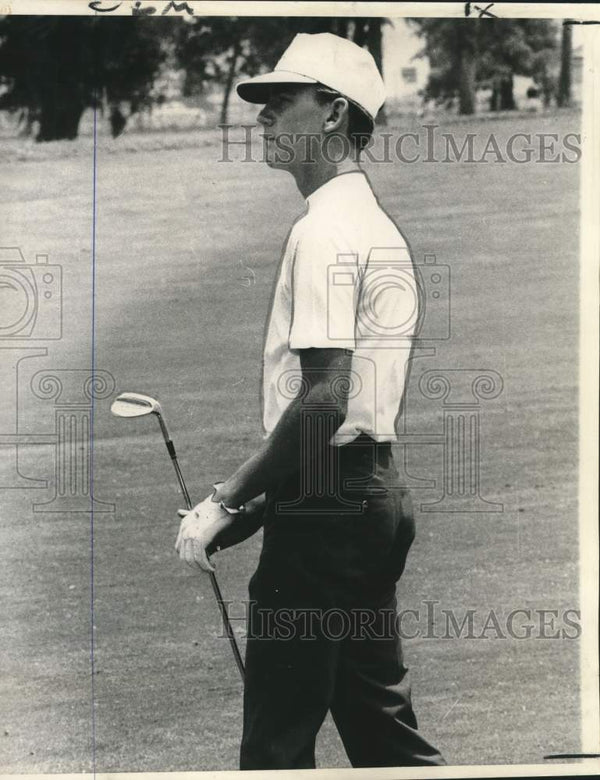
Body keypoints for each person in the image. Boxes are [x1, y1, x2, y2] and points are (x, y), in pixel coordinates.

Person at [175, 32, 446, 770]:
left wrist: (227, 501)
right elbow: (355, 418)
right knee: (382, 728)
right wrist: (267, 507)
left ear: (332, 114)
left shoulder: (326, 229)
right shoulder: (369, 222)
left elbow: (327, 396)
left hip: (331, 514)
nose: (261, 117)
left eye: (279, 101)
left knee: (277, 740)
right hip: (367, 498)